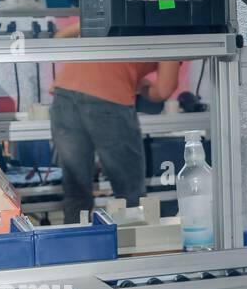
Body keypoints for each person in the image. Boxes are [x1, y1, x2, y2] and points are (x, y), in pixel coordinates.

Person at [49, 22, 182, 223]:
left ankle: (76, 249)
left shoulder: (117, 11)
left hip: (64, 95)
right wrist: (142, 86)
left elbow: (59, 38)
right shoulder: (173, 27)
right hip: (110, 99)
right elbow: (163, 90)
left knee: (76, 191)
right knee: (130, 192)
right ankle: (135, 248)